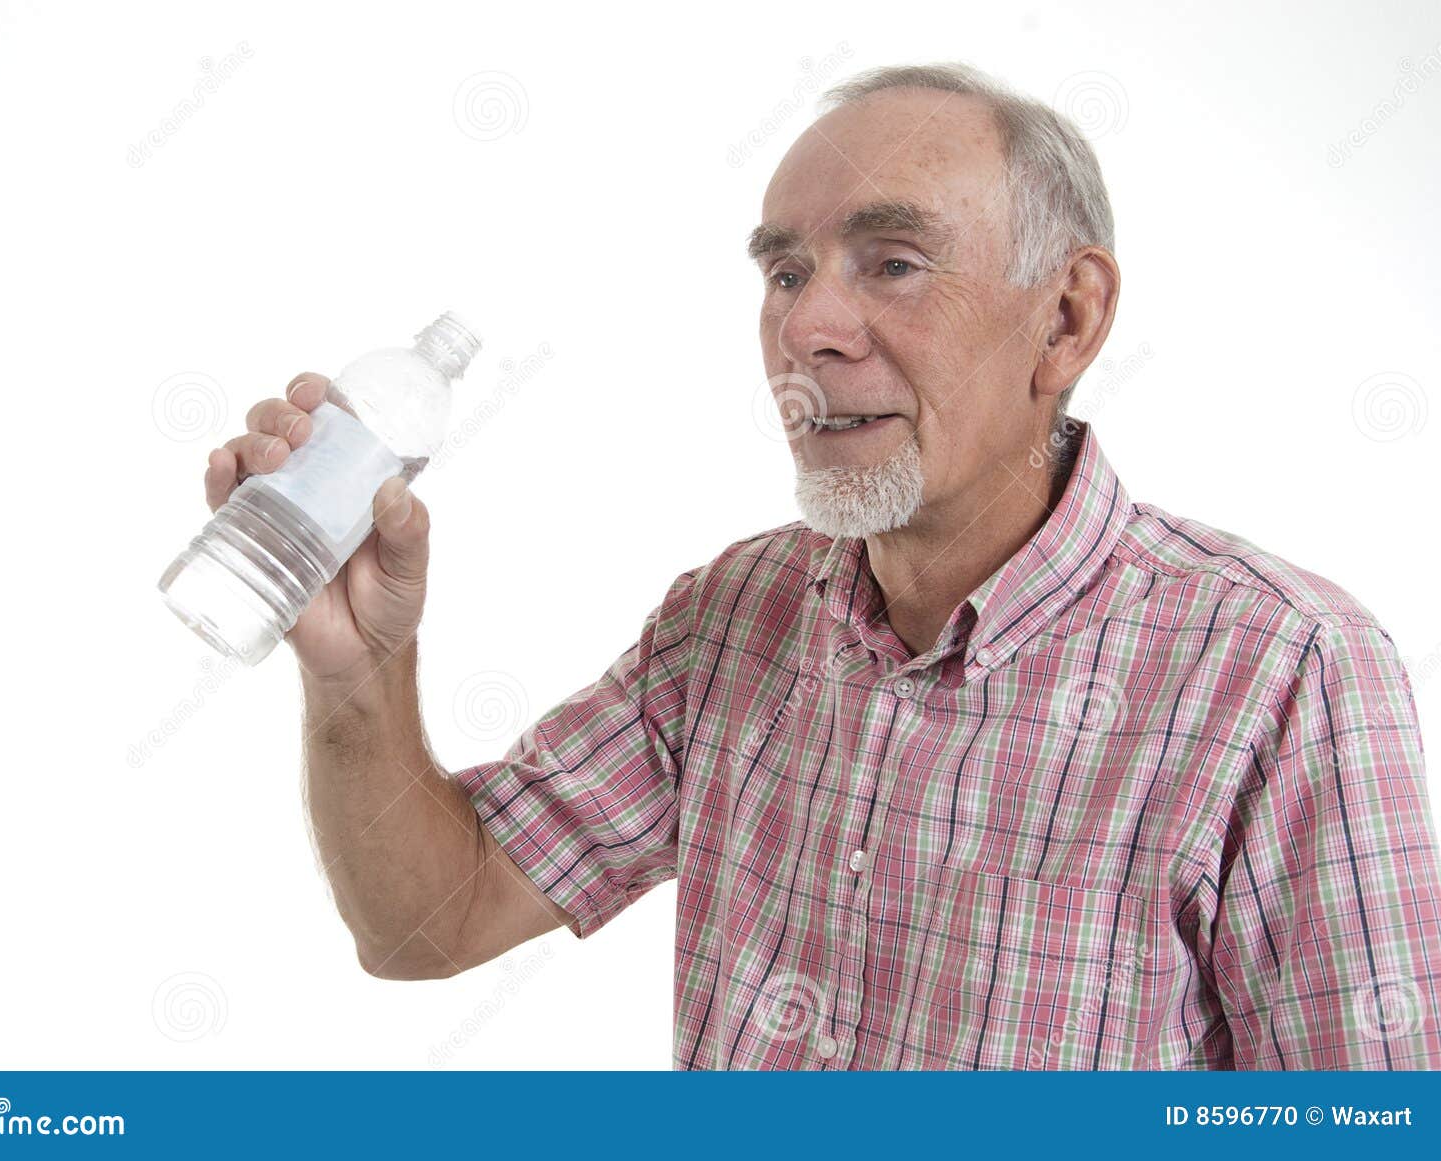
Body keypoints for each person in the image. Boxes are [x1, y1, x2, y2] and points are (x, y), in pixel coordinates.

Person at [200, 62, 1441, 1069]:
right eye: (785, 274)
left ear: (1066, 320)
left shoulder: (1286, 671)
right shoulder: (732, 618)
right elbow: (430, 921)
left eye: (892, 262)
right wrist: (359, 672)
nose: (806, 328)